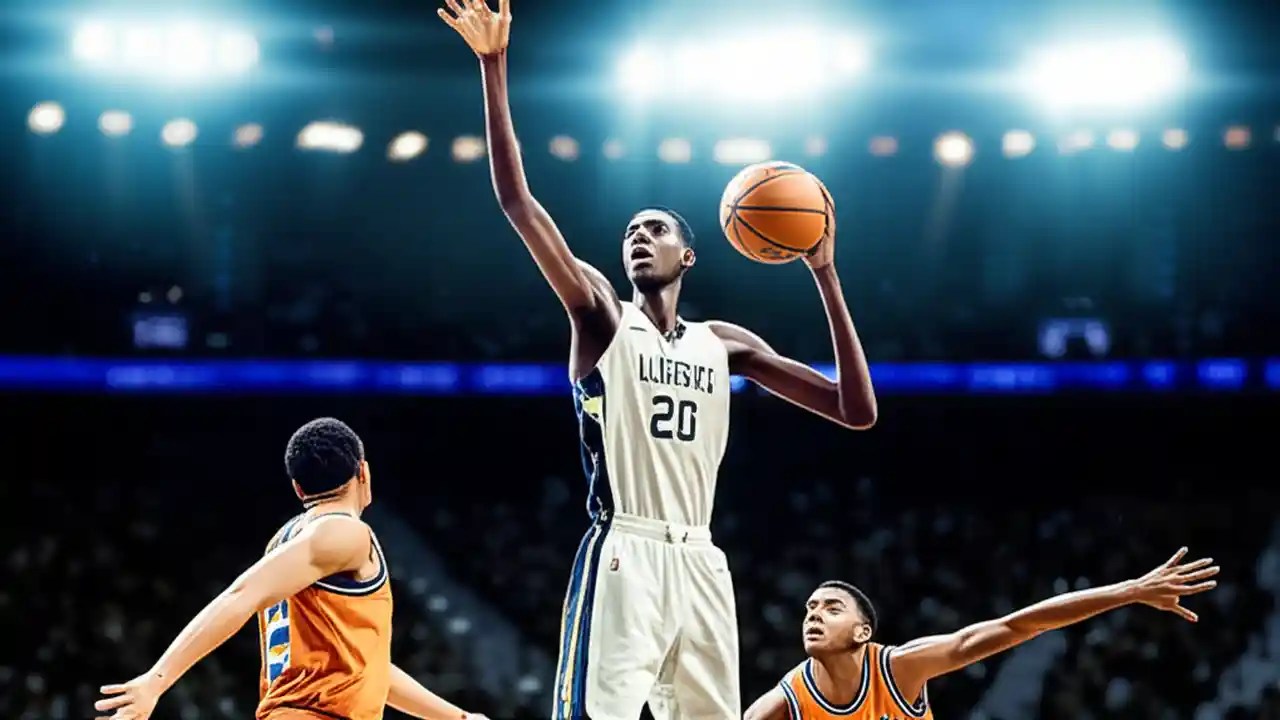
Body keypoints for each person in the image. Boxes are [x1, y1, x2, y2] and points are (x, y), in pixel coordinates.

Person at [437, 2, 877, 719]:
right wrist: (494, 66)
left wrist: (824, 272)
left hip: (702, 558)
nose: (639, 237)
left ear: (689, 254)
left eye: (656, 229)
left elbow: (856, 412)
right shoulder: (602, 316)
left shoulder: (725, 342)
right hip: (626, 548)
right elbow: (519, 204)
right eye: (630, 231)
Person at [95, 418, 486, 720]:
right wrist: (157, 680)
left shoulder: (286, 541)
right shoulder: (345, 534)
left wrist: (458, 716)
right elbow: (239, 596)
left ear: (299, 489)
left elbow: (369, 669)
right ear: (363, 472)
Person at [744, 547, 1220, 720]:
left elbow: (1018, 625)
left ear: (863, 631)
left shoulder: (900, 668)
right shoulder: (786, 701)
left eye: (832, 607)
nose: (814, 614)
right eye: (810, 607)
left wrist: (1129, 591)